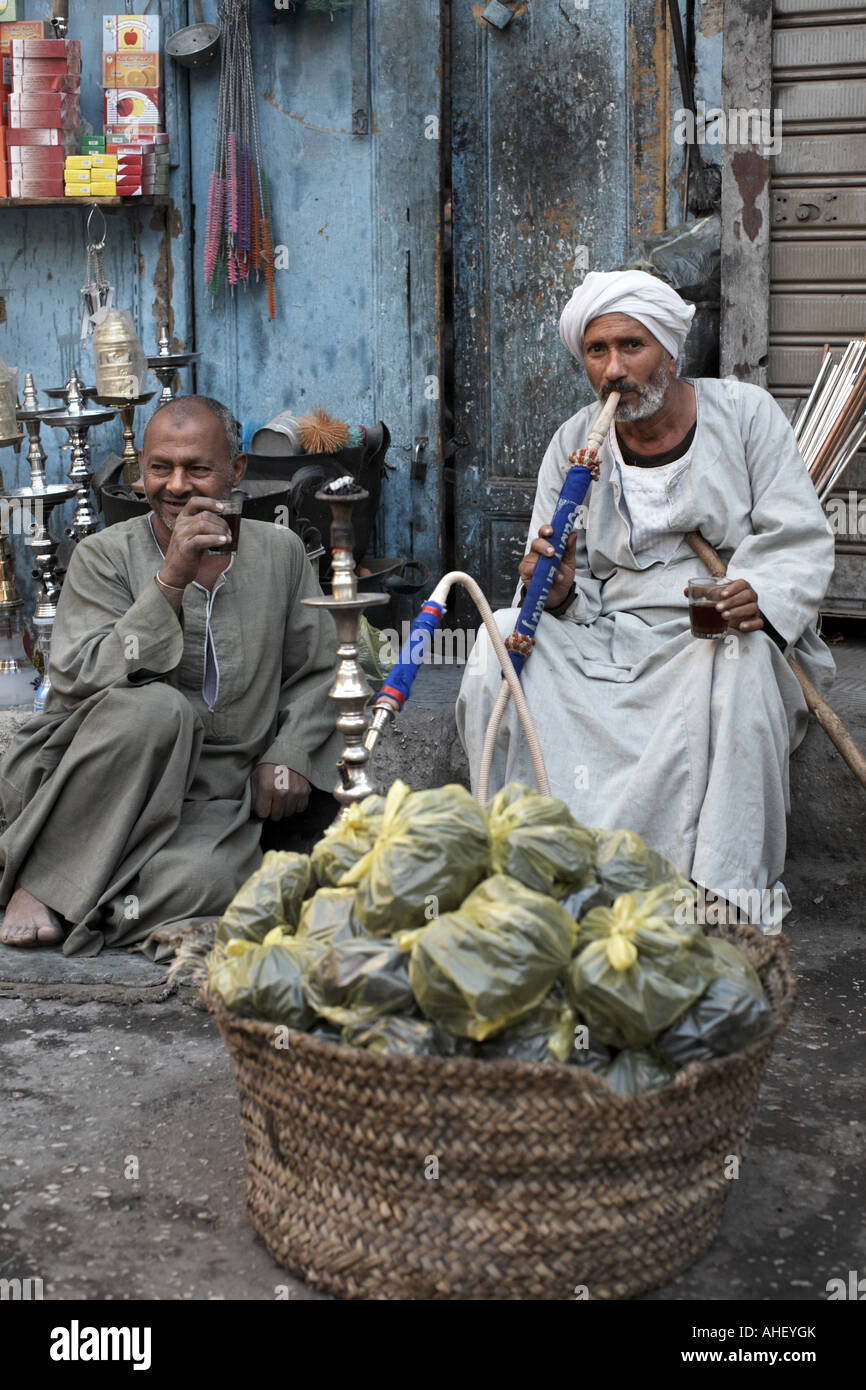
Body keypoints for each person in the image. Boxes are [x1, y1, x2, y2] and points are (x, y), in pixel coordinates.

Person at [456, 269, 836, 929]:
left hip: (720, 622)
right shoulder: (573, 443)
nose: (614, 369)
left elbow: (798, 535)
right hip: (611, 627)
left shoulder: (744, 415)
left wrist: (761, 592)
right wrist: (559, 590)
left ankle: (722, 895)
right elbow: (552, 579)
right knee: (501, 644)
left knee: (739, 665)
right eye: (597, 352)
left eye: (631, 346)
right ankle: (532, 867)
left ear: (668, 348)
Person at [0, 395, 341, 954]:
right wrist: (171, 581)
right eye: (160, 468)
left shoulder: (281, 554)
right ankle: (40, 885)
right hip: (94, 783)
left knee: (212, 882)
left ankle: (76, 895)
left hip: (210, 798)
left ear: (237, 471)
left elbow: (318, 671)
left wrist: (290, 754)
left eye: (198, 469)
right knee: (158, 710)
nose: (177, 486)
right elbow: (79, 677)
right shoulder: (102, 555)